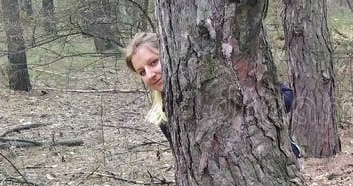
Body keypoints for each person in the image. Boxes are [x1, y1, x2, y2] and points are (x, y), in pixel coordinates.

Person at [124, 31, 300, 157]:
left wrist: (255, 115)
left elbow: (286, 94)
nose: (149, 74)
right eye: (142, 72)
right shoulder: (161, 115)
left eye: (154, 62)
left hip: (277, 159)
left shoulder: (207, 78)